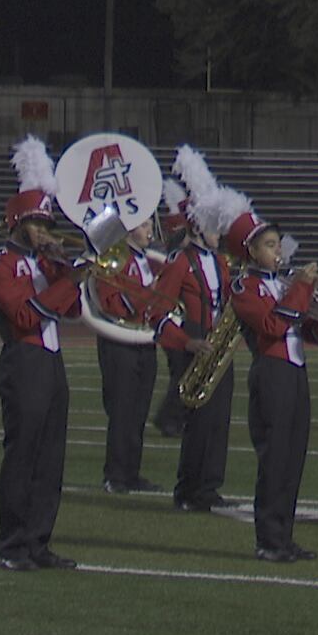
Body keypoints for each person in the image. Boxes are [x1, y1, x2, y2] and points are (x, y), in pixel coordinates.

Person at [208, 183, 318, 560]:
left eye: (277, 243)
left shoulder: (281, 283)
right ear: (249, 251)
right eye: (268, 244)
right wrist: (300, 291)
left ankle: (285, 535)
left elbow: (306, 327)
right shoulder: (242, 286)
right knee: (275, 458)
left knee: (294, 457)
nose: (277, 249)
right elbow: (272, 326)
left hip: (296, 371)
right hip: (271, 373)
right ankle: (268, 539)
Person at [0, 136, 83, 572]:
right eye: (38, 223)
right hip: (23, 361)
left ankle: (40, 541)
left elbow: (73, 311)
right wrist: (67, 279)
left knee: (51, 456)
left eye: (47, 222)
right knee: (22, 454)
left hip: (52, 362)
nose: (45, 230)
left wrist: (67, 271)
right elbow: (25, 315)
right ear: (18, 221)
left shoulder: (46, 262)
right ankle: (13, 544)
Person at [164, 145, 235, 513]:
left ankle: (210, 485)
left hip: (218, 346)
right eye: (212, 225)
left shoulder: (220, 261)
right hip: (194, 344)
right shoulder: (180, 261)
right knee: (199, 422)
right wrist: (186, 342)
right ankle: (188, 488)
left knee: (219, 421)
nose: (218, 232)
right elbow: (158, 312)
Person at [93, 214, 169, 495]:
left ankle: (131, 473)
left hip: (143, 340)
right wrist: (153, 294)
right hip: (119, 341)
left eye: (150, 224)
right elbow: (114, 303)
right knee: (122, 410)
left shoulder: (145, 261)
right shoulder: (115, 259)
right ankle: (115, 474)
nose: (150, 230)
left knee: (138, 410)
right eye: (144, 225)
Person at [152, 177, 194, 440]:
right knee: (181, 372)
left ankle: (174, 417)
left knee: (184, 371)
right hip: (175, 322)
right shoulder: (178, 256)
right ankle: (169, 418)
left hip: (183, 320)